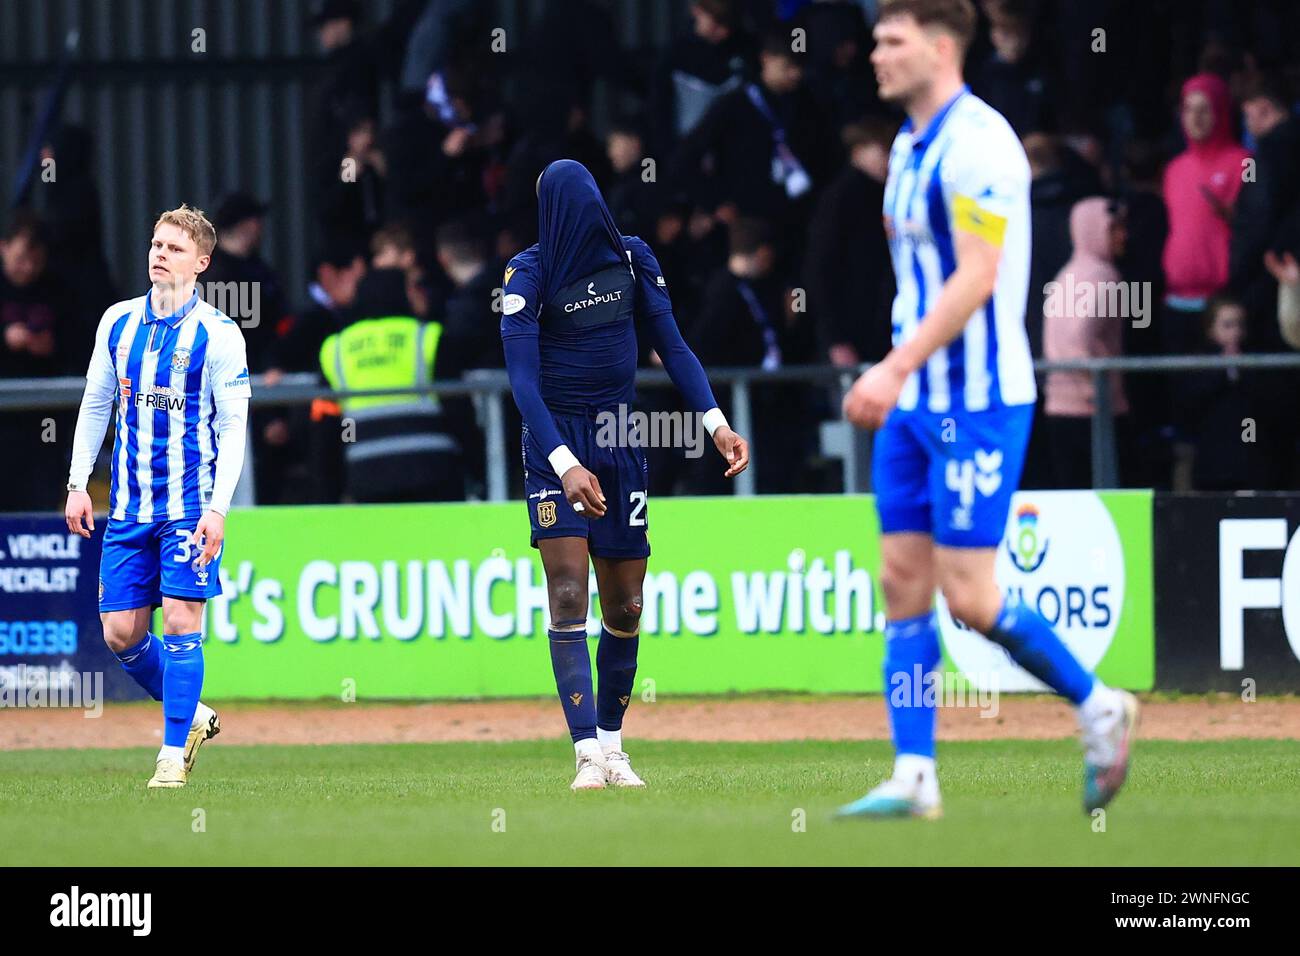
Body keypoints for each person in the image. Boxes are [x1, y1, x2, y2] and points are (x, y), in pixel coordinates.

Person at [838, 0, 1137, 819]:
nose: (876, 53)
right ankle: (915, 774)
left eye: (891, 40)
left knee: (968, 596)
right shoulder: (906, 146)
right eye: (875, 39)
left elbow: (976, 278)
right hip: (914, 400)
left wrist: (892, 365)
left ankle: (1100, 706)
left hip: (975, 402)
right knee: (902, 580)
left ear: (940, 47)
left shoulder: (982, 145)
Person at [500, 159, 749, 790]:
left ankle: (613, 745)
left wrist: (715, 424)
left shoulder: (635, 261)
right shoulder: (526, 274)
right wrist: (565, 463)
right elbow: (523, 385)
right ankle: (585, 750)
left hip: (620, 440)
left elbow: (674, 347)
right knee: (565, 593)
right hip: (556, 443)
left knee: (626, 603)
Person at [63, 204, 250, 790]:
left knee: (180, 620)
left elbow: (232, 428)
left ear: (201, 263)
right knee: (120, 633)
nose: (159, 254)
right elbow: (96, 405)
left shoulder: (219, 335)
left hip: (190, 509)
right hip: (129, 509)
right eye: (155, 244)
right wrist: (76, 483)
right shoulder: (117, 323)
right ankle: (189, 710)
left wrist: (219, 508)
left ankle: (171, 754)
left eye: (173, 247)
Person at [1041, 197, 1129, 489]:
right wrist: (1097, 383)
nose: (1122, 236)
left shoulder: (1066, 274)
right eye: (1113, 228)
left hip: (1059, 404)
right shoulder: (1104, 277)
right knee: (1104, 498)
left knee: (1072, 498)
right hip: (1093, 408)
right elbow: (1077, 339)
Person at [1161, 73, 1250, 356]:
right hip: (1176, 299)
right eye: (1188, 109)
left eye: (1205, 109)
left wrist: (1234, 216)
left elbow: (1257, 223)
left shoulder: (1245, 162)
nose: (1195, 118)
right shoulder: (1175, 168)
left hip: (1221, 303)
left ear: (1221, 111)